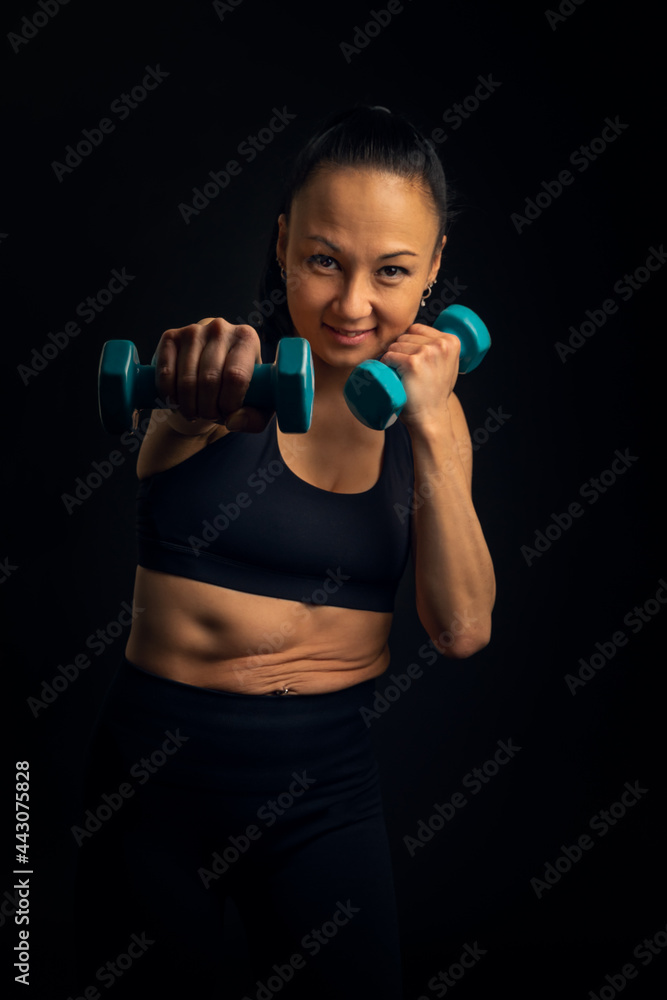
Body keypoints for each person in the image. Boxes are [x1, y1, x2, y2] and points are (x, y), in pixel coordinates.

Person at [72, 105, 496, 1000]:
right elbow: (180, 422)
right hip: (151, 778)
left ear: (433, 272)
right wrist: (186, 394)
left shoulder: (437, 424)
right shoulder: (225, 382)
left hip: (321, 789)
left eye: (390, 272)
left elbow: (459, 630)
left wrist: (426, 423)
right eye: (322, 261)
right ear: (281, 245)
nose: (350, 305)